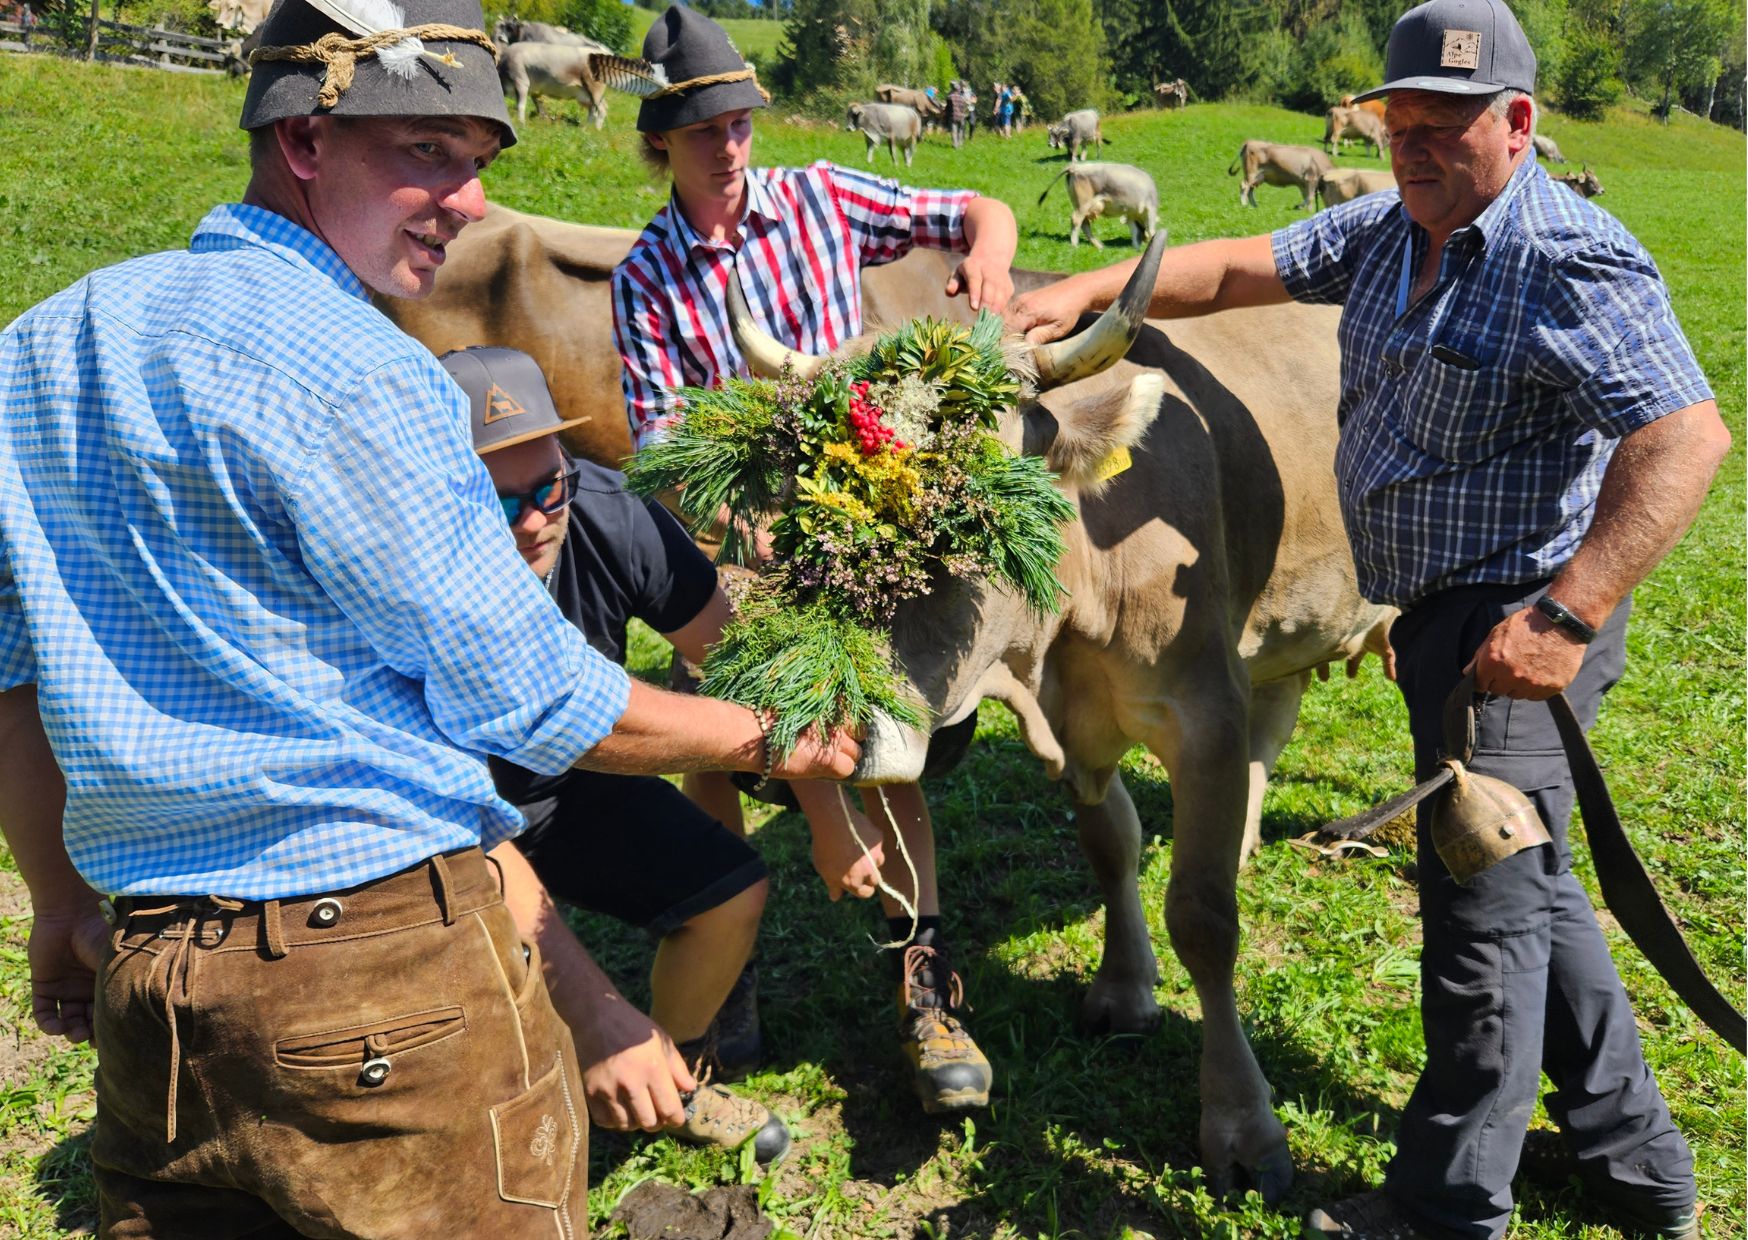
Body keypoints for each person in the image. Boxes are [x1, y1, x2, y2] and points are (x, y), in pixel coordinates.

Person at [0, 0, 855, 1232]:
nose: (464, 199)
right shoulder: (363, 367)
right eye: (425, 152)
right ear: (304, 143)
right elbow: (530, 700)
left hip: (151, 989)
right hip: (382, 983)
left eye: (478, 161)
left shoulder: (38, 349)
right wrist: (769, 739)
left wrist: (56, 908)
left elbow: (11, 676)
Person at [1008, 1, 1729, 1237]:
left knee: (1478, 921)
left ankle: (1447, 1209)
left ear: (1518, 122)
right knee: (1533, 892)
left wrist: (1564, 614)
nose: (1415, 146)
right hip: (1445, 623)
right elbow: (1239, 267)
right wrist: (1074, 285)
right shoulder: (1395, 229)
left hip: (1521, 624)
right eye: (1398, 120)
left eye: (1446, 125)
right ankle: (1636, 1165)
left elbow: (1685, 436)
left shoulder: (1567, 253)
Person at [611, 4, 1019, 1117]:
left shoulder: (821, 196)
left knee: (883, 748)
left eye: (738, 122)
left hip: (869, 524)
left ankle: (925, 983)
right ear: (662, 141)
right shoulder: (645, 275)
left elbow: (972, 206)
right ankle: (723, 966)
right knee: (717, 744)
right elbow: (658, 444)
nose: (729, 148)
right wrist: (753, 488)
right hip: (738, 545)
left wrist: (986, 252)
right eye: (702, 132)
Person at [442, 344, 789, 1164]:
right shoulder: (391, 563)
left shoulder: (609, 509)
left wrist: (831, 810)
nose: (532, 519)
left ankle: (670, 1072)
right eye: (498, 502)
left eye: (546, 487)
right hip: (434, 817)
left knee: (732, 894)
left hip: (568, 780)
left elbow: (741, 662)